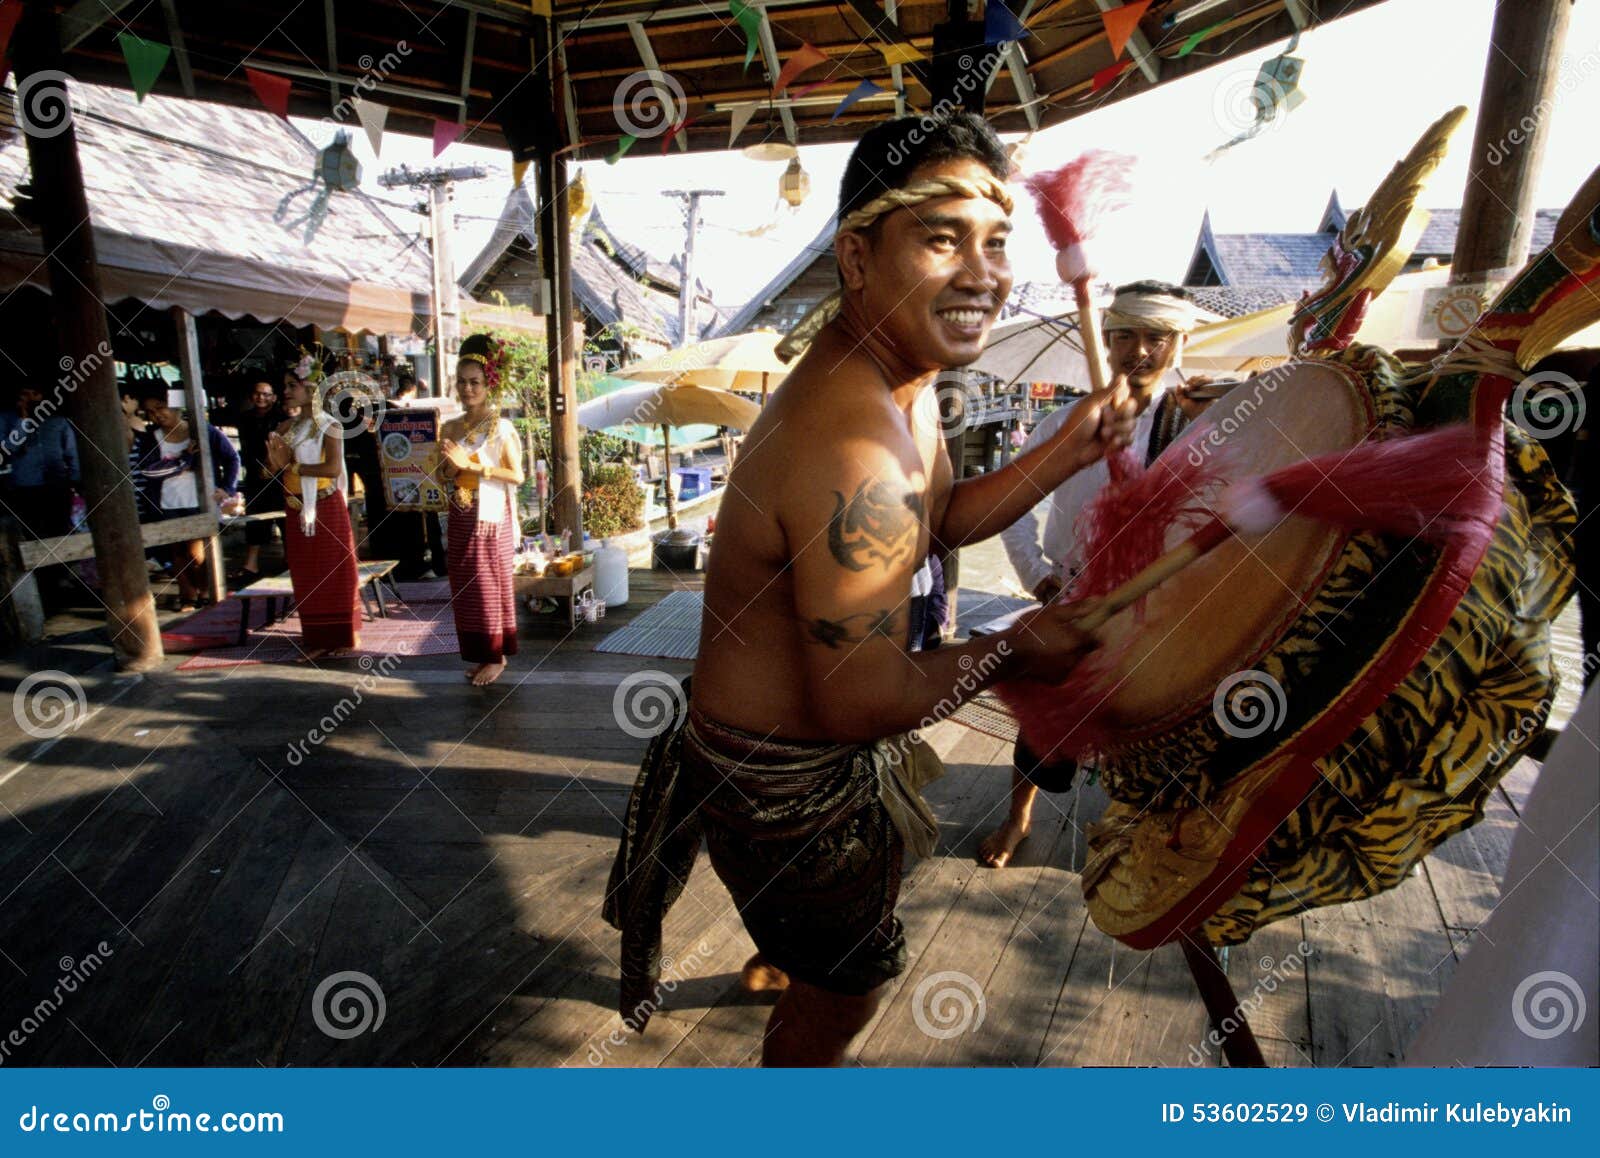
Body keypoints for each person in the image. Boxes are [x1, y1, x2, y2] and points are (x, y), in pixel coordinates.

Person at [605, 113, 1137, 1066]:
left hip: (767, 752)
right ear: (858, 256)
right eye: (942, 239)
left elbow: (938, 520)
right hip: (785, 783)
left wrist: (1070, 446)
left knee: (820, 967)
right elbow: (862, 701)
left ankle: (787, 968)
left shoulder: (900, 380)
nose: (983, 273)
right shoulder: (852, 439)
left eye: (996, 240)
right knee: (844, 1001)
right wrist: (1019, 643)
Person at [981, 280, 1211, 868]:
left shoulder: (1207, 420)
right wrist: (1036, 576)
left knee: (1156, 725)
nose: (1139, 351)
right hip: (1074, 595)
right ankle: (1018, 818)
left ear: (1180, 342)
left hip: (1166, 604)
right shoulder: (1066, 423)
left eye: (1156, 337)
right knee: (1043, 720)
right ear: (1104, 343)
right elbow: (1014, 509)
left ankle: (1141, 829)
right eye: (1124, 336)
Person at [438, 333, 524, 685]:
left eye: (474, 382)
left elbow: (516, 475)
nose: (467, 389)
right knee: (465, 585)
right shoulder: (451, 426)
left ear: (488, 384)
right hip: (460, 510)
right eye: (462, 382)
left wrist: (472, 466)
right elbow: (444, 473)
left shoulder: (500, 428)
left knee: (488, 583)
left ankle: (496, 655)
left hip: (490, 515)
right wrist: (448, 466)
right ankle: (479, 653)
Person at [264, 372, 361, 659]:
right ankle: (317, 638)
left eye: (293, 385)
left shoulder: (329, 426)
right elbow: (269, 470)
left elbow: (331, 469)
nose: (286, 391)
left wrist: (291, 466)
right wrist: (273, 463)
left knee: (334, 571)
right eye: (286, 385)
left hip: (325, 504)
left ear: (312, 389)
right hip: (295, 507)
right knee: (306, 572)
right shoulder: (286, 427)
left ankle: (342, 635)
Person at [131, 384, 240, 612]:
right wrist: (184, 459)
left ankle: (203, 590)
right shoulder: (152, 438)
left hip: (198, 501)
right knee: (177, 553)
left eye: (161, 408)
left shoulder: (202, 431)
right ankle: (187, 595)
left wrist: (227, 489)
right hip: (165, 504)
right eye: (150, 412)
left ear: (176, 405)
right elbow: (148, 469)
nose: (157, 415)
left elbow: (231, 459)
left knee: (196, 552)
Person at [0, 384, 79, 540]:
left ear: (42, 396)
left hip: (57, 484)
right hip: (26, 486)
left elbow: (72, 452)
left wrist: (75, 478)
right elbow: (8, 449)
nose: (29, 398)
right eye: (25, 393)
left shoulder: (58, 421)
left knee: (60, 530)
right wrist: (23, 420)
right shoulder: (6, 419)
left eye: (34, 393)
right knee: (34, 532)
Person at [234, 378, 285, 582]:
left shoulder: (281, 418)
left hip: (279, 475)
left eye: (266, 394)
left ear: (273, 397)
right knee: (255, 520)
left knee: (284, 518)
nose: (261, 398)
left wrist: (272, 466)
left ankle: (289, 560)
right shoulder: (245, 418)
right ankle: (251, 564)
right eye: (257, 393)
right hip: (255, 475)